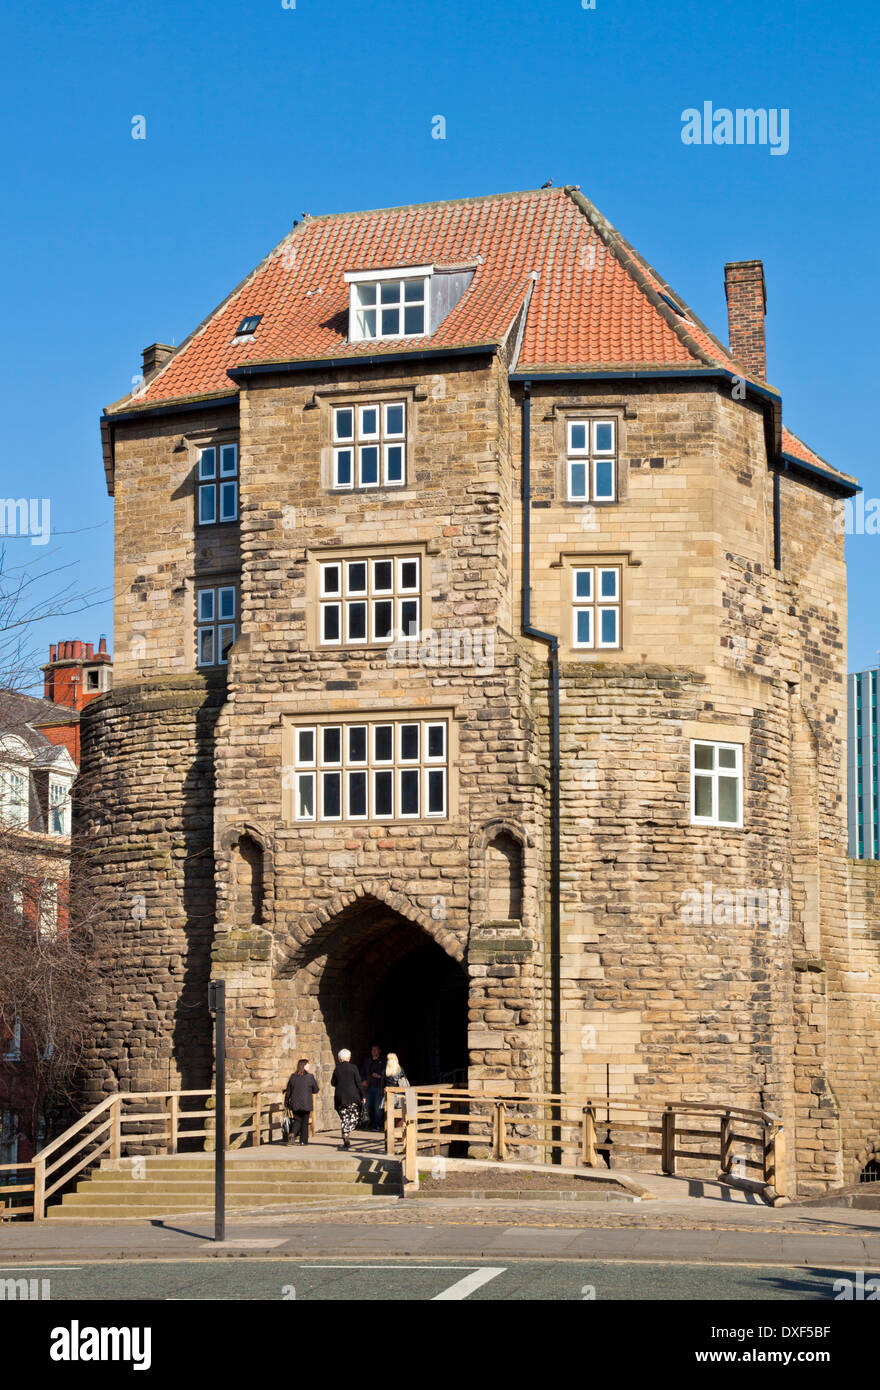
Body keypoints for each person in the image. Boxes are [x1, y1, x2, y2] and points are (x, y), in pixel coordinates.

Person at [330, 1048, 364, 1150]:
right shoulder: (353, 1068)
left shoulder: (337, 1069)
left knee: (344, 1117)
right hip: (352, 1096)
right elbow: (358, 1082)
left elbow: (333, 1083)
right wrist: (363, 1096)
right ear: (348, 1057)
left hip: (340, 1096)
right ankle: (346, 1132)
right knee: (354, 1116)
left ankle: (345, 1135)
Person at [284, 1059, 318, 1145]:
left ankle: (292, 1134)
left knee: (297, 1120)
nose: (309, 1066)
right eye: (307, 1065)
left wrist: (286, 1102)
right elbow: (316, 1089)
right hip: (306, 1103)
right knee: (305, 1122)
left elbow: (288, 1091)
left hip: (295, 1103)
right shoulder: (310, 1077)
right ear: (303, 1066)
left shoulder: (293, 1077)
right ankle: (303, 1141)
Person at [361, 1044, 386, 1131]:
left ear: (379, 1051)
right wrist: (363, 1080)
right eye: (373, 1050)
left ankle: (377, 1125)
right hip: (368, 1087)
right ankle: (367, 1124)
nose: (374, 1051)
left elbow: (386, 1073)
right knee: (367, 1106)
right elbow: (363, 1071)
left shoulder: (383, 1061)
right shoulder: (367, 1061)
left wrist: (379, 1076)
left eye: (376, 1050)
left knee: (378, 1107)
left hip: (379, 1087)